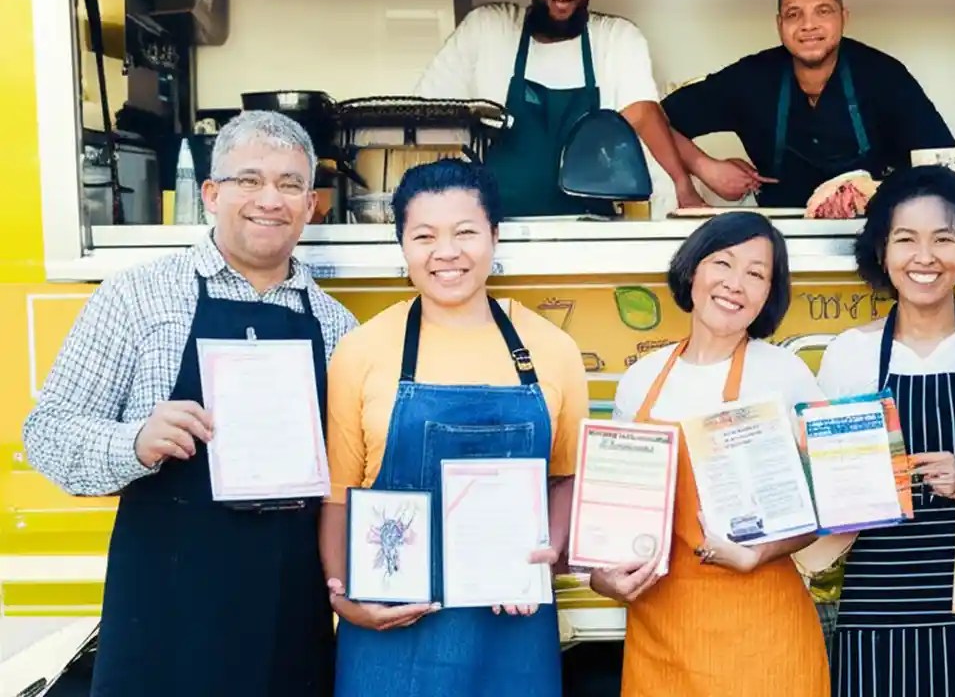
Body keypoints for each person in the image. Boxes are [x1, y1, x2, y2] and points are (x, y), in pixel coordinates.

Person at [21, 110, 360, 696]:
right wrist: (132, 443)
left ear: (311, 206)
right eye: (248, 180)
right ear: (209, 193)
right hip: (164, 617)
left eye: (289, 184)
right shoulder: (137, 296)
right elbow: (46, 433)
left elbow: (357, 477)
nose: (268, 199)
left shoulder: (338, 328)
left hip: (287, 621)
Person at [320, 158, 589, 696]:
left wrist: (548, 557)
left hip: (512, 619)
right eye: (424, 236)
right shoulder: (363, 350)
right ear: (402, 247)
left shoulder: (552, 349)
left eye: (465, 232)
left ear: (494, 236)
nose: (446, 252)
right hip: (391, 622)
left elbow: (565, 480)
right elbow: (339, 497)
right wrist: (345, 595)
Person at [594, 211, 830, 696]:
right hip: (661, 637)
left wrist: (759, 552)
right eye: (723, 262)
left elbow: (832, 502)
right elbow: (610, 512)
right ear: (693, 269)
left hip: (764, 637)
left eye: (756, 274)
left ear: (769, 294)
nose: (735, 284)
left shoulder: (785, 376)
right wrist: (603, 577)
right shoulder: (640, 380)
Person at [816, 165, 955, 696]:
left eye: (943, 238)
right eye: (906, 239)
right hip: (876, 610)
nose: (925, 258)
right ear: (883, 252)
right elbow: (822, 489)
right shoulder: (849, 354)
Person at [414, 0, 704, 217]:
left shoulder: (615, 38)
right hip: (495, 234)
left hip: (592, 235)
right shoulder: (489, 28)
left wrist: (683, 186)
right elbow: (427, 119)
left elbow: (642, 114)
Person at [661, 0, 954, 206]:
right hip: (780, 233)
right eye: (794, 14)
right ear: (780, 24)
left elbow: (941, 162)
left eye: (823, 11)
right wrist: (706, 168)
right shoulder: (751, 78)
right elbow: (655, 118)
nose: (808, 25)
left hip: (875, 230)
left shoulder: (885, 76)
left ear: (843, 17)